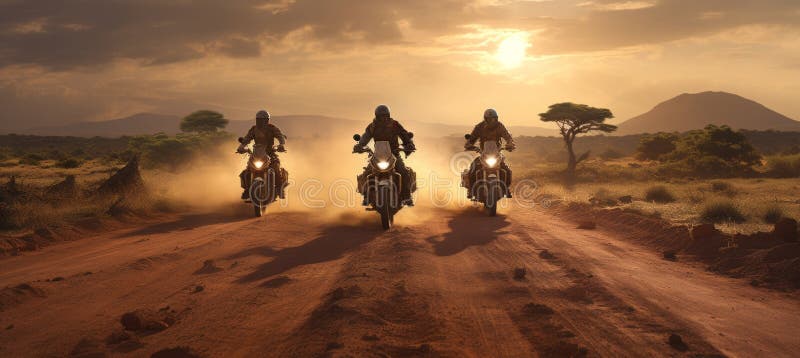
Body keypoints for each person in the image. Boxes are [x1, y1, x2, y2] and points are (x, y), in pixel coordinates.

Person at [353, 104, 417, 206]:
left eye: (385, 115)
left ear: (388, 115)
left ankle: (407, 196)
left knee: (403, 171)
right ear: (377, 116)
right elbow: (365, 137)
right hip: (378, 155)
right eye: (381, 116)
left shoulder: (394, 125)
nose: (383, 118)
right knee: (367, 173)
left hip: (394, 154)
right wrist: (359, 145)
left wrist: (409, 144)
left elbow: (404, 135)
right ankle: (367, 196)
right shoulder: (372, 126)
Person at [464, 108, 515, 198]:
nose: (492, 121)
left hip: (496, 153)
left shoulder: (500, 126)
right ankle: (471, 190)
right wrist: (469, 144)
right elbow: (472, 139)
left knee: (506, 170)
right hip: (483, 153)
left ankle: (506, 188)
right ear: (485, 119)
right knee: (473, 168)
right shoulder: (479, 127)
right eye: (490, 119)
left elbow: (507, 136)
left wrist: (510, 144)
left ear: (497, 118)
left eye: (494, 119)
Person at [237, 110, 286, 200]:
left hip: (270, 152)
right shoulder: (254, 129)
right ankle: (247, 190)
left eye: (263, 120)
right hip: (257, 153)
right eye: (259, 120)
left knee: (276, 167)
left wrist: (281, 144)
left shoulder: (272, 128)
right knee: (247, 170)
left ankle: (279, 189)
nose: (261, 122)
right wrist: (241, 147)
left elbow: (280, 137)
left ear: (267, 120)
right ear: (256, 120)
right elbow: (247, 139)